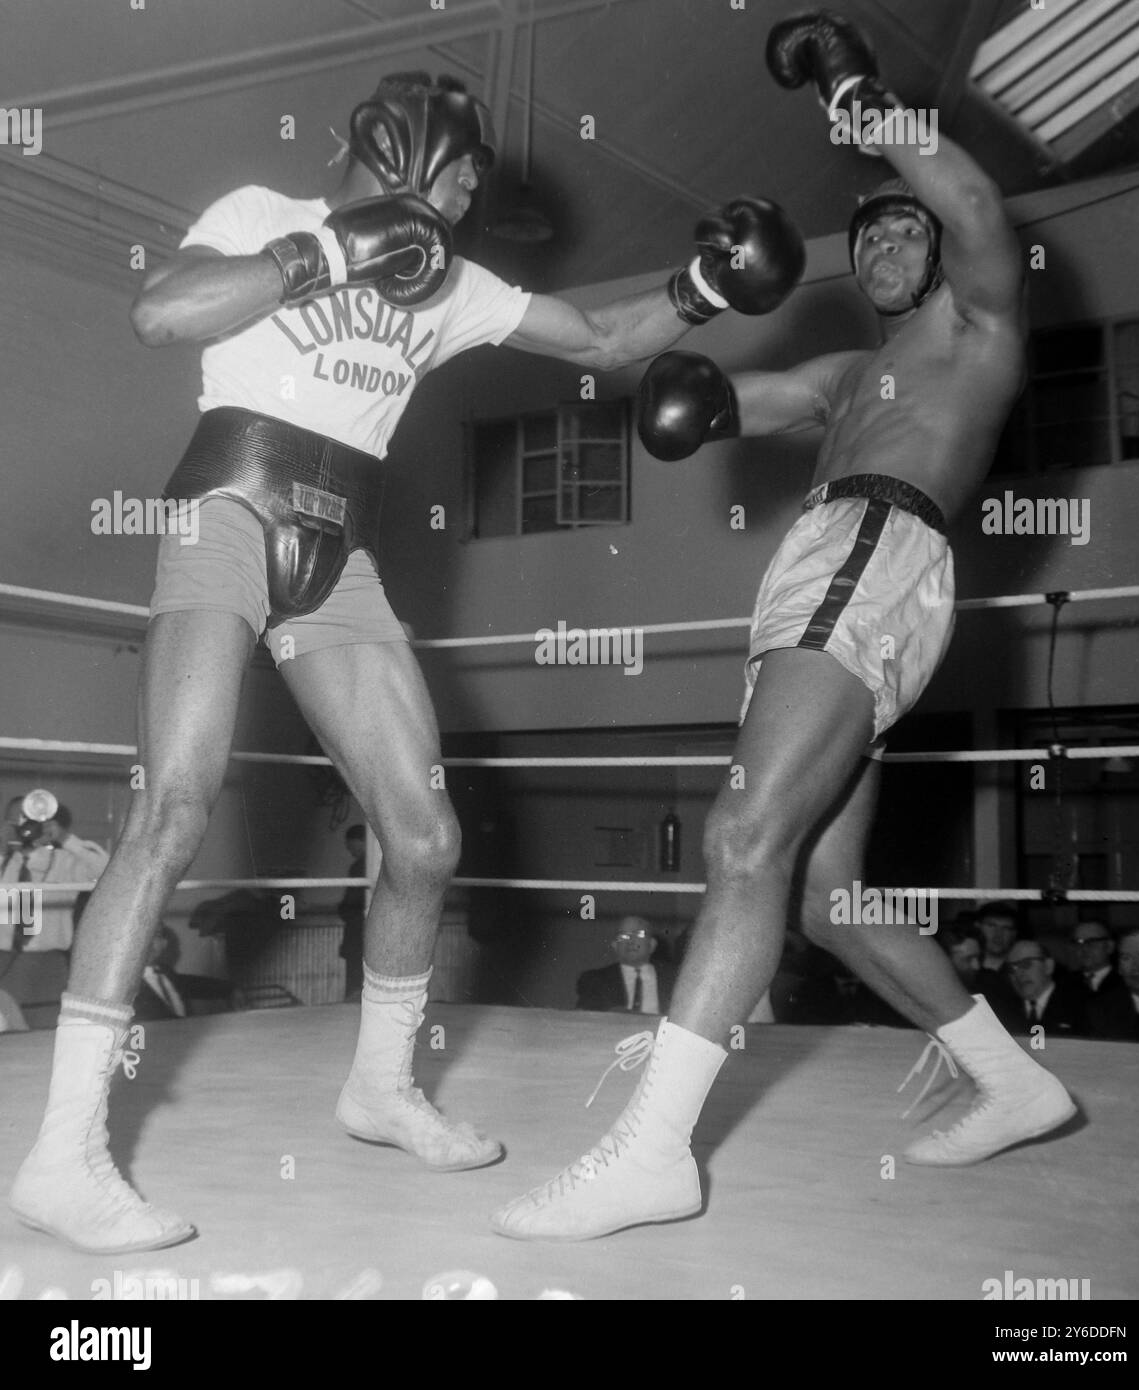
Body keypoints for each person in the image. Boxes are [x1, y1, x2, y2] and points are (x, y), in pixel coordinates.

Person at [9, 70, 803, 1255]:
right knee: (171, 805)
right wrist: (326, 253)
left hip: (344, 548)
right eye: (469, 162)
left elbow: (596, 336)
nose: (481, 184)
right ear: (407, 141)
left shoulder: (450, 281)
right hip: (227, 506)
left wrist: (701, 287)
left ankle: (378, 1087)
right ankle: (62, 1159)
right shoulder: (260, 210)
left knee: (423, 836)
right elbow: (161, 314)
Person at [492, 14, 1075, 1242]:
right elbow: (699, 411)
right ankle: (1013, 1077)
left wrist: (861, 98)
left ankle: (652, 1150)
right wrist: (692, 324)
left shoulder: (977, 327)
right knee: (820, 892)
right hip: (831, 564)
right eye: (866, 231)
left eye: (902, 223)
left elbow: (970, 200)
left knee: (743, 836)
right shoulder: (845, 383)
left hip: (875, 549)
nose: (886, 239)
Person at [0, 796, 110, 1020]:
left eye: (28, 820)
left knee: (42, 1030)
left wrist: (66, 839)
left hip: (46, 964)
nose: (23, 828)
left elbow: (108, 871)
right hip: (2, 958)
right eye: (14, 821)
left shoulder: (64, 861)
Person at [576, 917, 677, 1015]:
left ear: (652, 944)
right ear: (615, 946)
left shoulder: (676, 978)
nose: (631, 941)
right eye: (624, 936)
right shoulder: (595, 980)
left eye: (639, 934)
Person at [997, 939, 1086, 1039]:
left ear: (1048, 966)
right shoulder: (1002, 1011)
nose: (1018, 974)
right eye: (1012, 968)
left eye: (1026, 964)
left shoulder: (1079, 1005)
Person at [337, 824, 368, 1000]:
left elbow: (349, 904)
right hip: (370, 935)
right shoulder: (380, 865)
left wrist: (341, 909)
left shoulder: (359, 867)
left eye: (351, 846)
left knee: (355, 986)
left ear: (361, 842)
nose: (350, 851)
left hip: (357, 935)